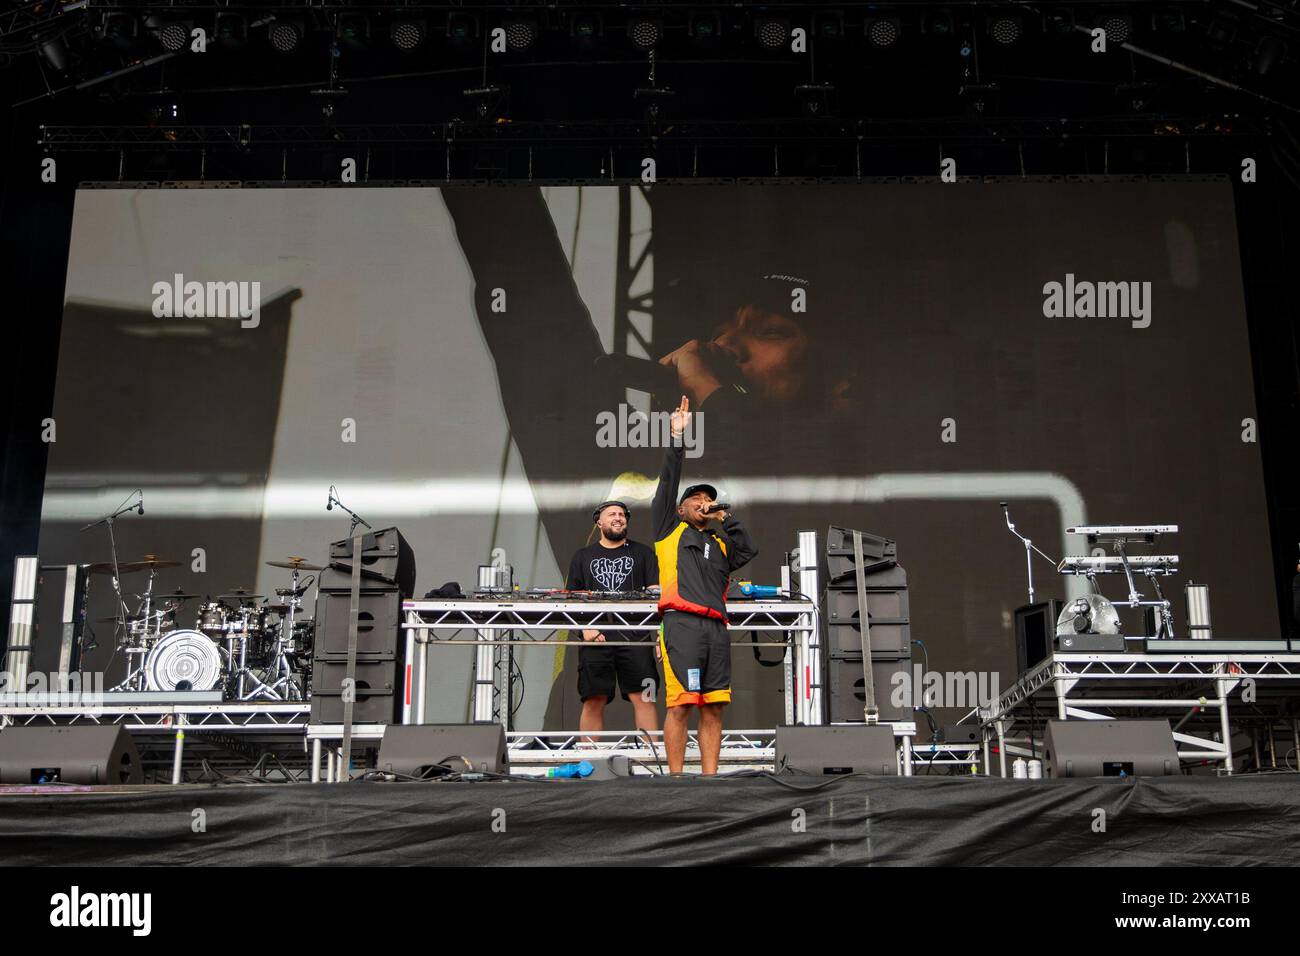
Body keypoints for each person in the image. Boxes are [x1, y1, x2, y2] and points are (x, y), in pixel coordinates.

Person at [652, 396, 757, 774]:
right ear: (680, 509)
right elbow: (667, 483)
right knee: (680, 704)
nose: (703, 502)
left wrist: (726, 516)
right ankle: (678, 780)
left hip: (716, 627)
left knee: (713, 705)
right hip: (681, 624)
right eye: (695, 499)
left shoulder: (720, 542)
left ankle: (710, 782)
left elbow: (748, 549)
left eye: (708, 499)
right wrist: (677, 438)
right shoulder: (669, 529)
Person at [566, 501, 660, 735]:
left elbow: (657, 595)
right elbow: (569, 601)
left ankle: (651, 763)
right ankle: (588, 762)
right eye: (611, 514)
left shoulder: (644, 553)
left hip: (637, 637)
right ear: (599, 521)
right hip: (597, 636)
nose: (618, 518)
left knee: (644, 698)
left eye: (622, 514)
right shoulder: (583, 556)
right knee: (593, 699)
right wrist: (584, 629)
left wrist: (660, 633)